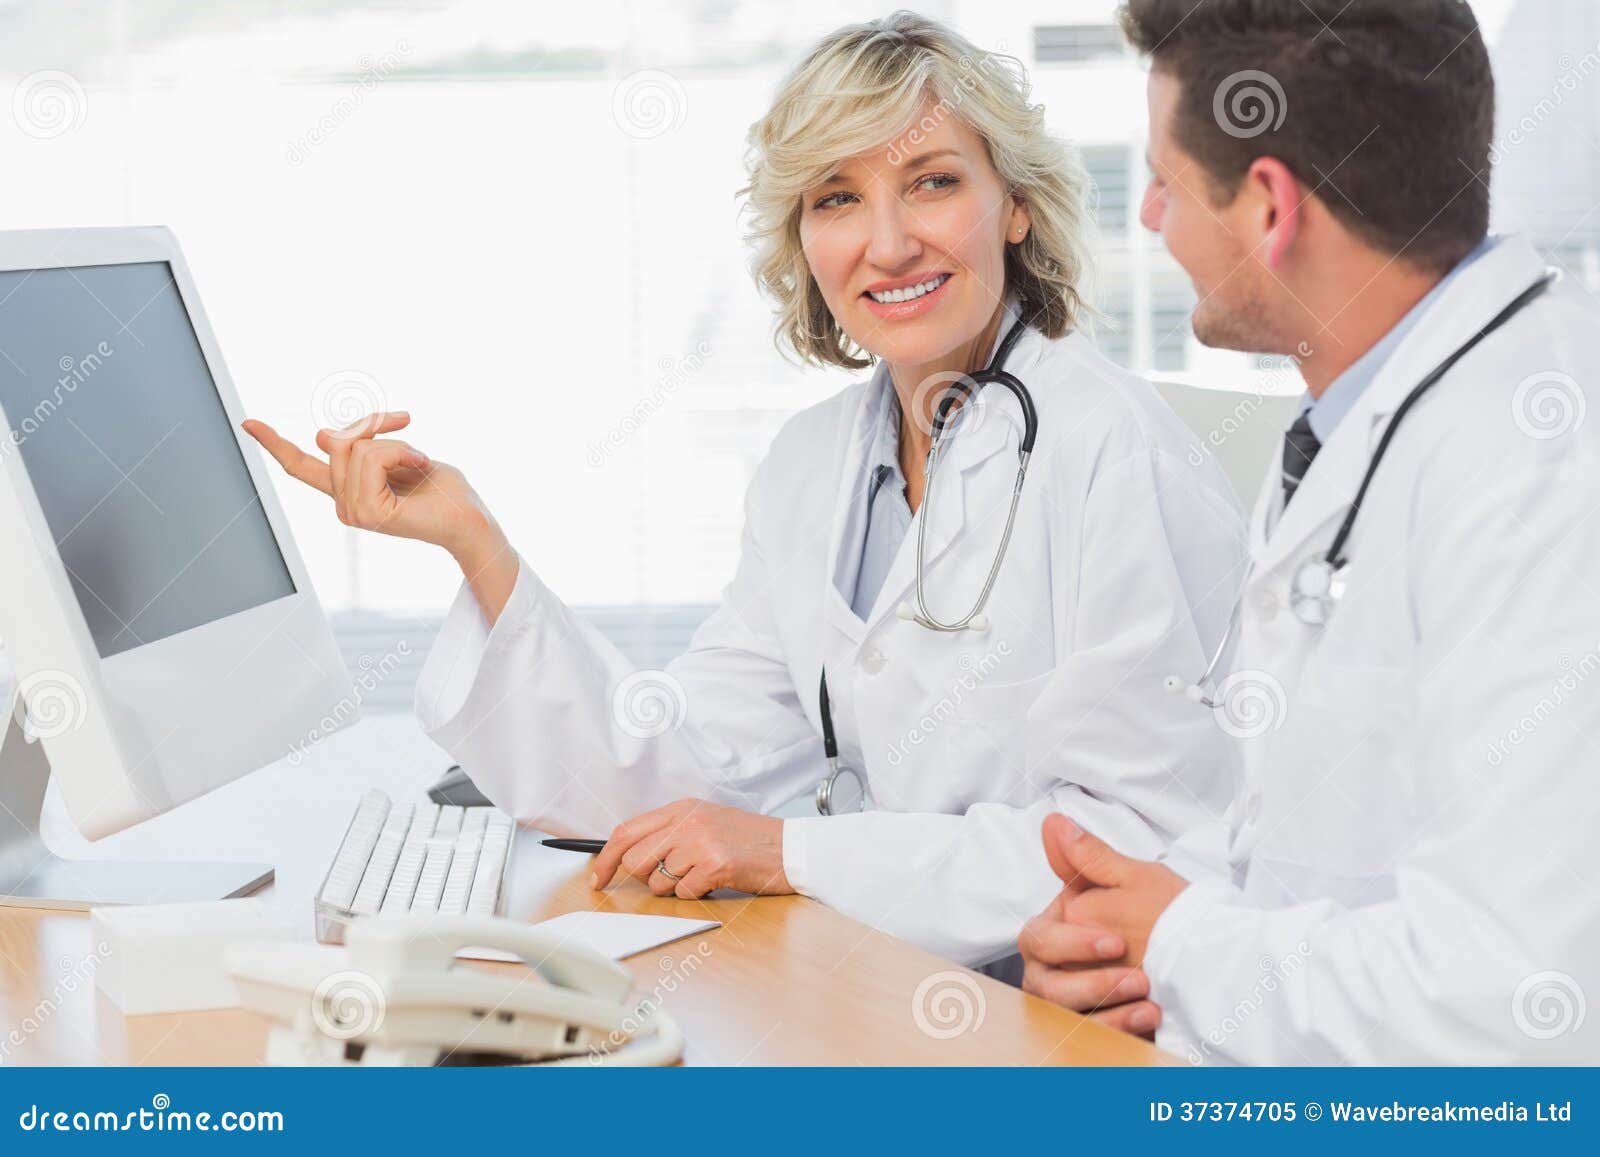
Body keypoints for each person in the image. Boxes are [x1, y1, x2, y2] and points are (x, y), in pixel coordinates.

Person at [244, 12, 1246, 988]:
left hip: (1057, 1013)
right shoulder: (814, 464)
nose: (887, 244)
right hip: (885, 979)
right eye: (836, 198)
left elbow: (1131, 838)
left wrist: (791, 854)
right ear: (801, 237)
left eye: (933, 183)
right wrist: (475, 542)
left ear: (1015, 205)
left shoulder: (1111, 447)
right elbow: (688, 769)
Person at [1019, 0, 1600, 1062]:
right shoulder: (1365, 418)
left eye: (1166, 179)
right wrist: (1129, 930)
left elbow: (1528, 1004)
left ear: (1269, 208)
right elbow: (1301, 833)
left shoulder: (1544, 464)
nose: (1149, 216)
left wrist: (1179, 942)